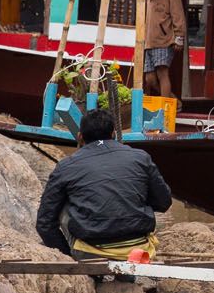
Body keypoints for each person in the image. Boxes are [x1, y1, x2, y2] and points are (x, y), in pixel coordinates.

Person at [35, 107, 172, 262]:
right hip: (138, 251)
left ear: (80, 136)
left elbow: (44, 224)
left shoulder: (67, 166)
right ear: (113, 133)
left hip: (90, 254)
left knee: (63, 204)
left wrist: (66, 255)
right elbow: (164, 203)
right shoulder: (140, 157)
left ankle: (86, 259)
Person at [144, 0, 186, 99]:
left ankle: (165, 108)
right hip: (149, 43)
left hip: (163, 42)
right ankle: (173, 101)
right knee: (149, 78)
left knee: (162, 73)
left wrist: (179, 38)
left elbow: (178, 17)